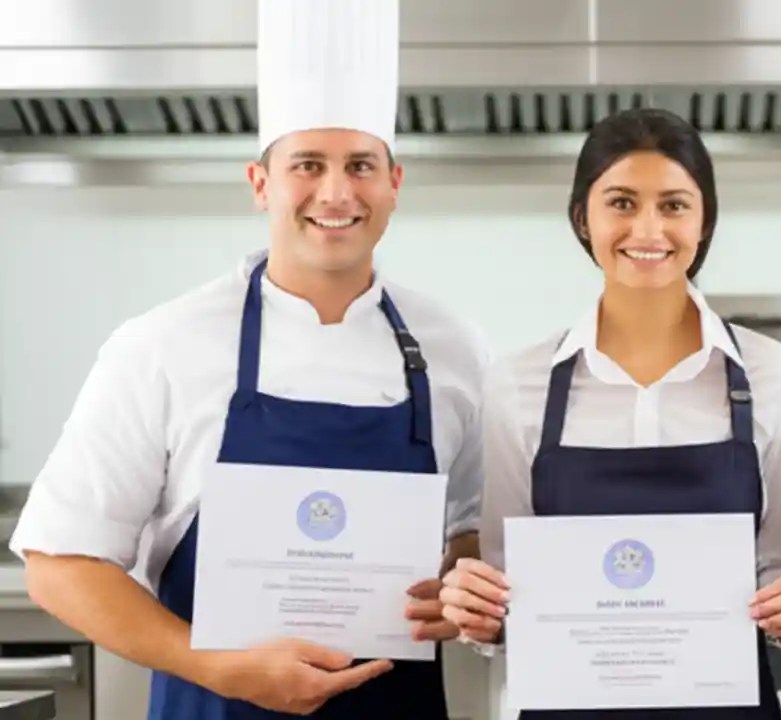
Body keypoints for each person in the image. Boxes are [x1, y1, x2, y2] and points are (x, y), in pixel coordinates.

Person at [8, 1, 489, 718]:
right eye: (307, 165)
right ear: (261, 183)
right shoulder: (164, 345)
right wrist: (218, 667)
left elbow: (473, 534)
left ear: (394, 182)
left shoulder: (455, 348)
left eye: (360, 165)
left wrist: (461, 590)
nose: (336, 192)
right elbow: (57, 564)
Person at [438, 107, 781, 718]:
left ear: (705, 222)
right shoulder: (517, 384)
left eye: (674, 205)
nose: (648, 229)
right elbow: (507, 584)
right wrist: (478, 611)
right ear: (581, 219)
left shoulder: (779, 378)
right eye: (621, 202)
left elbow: (780, 567)